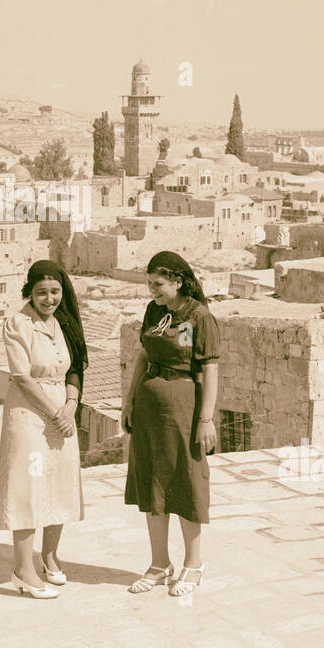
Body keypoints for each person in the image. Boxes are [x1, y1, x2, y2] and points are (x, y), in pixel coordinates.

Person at [121, 251, 221, 597]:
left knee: (185, 481)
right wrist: (130, 400)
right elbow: (144, 356)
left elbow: (210, 370)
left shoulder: (199, 317)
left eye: (158, 284)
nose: (153, 291)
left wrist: (206, 419)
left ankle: (194, 564)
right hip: (150, 408)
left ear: (178, 281)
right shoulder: (154, 311)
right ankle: (159, 563)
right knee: (153, 484)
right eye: (149, 284)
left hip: (184, 408)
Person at [0, 260, 87, 598]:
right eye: (41, 293)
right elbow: (21, 376)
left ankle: (49, 556)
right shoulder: (17, 324)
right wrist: (54, 413)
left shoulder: (65, 323)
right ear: (29, 293)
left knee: (59, 483)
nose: (49, 299)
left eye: (55, 292)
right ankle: (23, 569)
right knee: (28, 485)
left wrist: (71, 407)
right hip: (30, 415)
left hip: (62, 410)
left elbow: (76, 366)